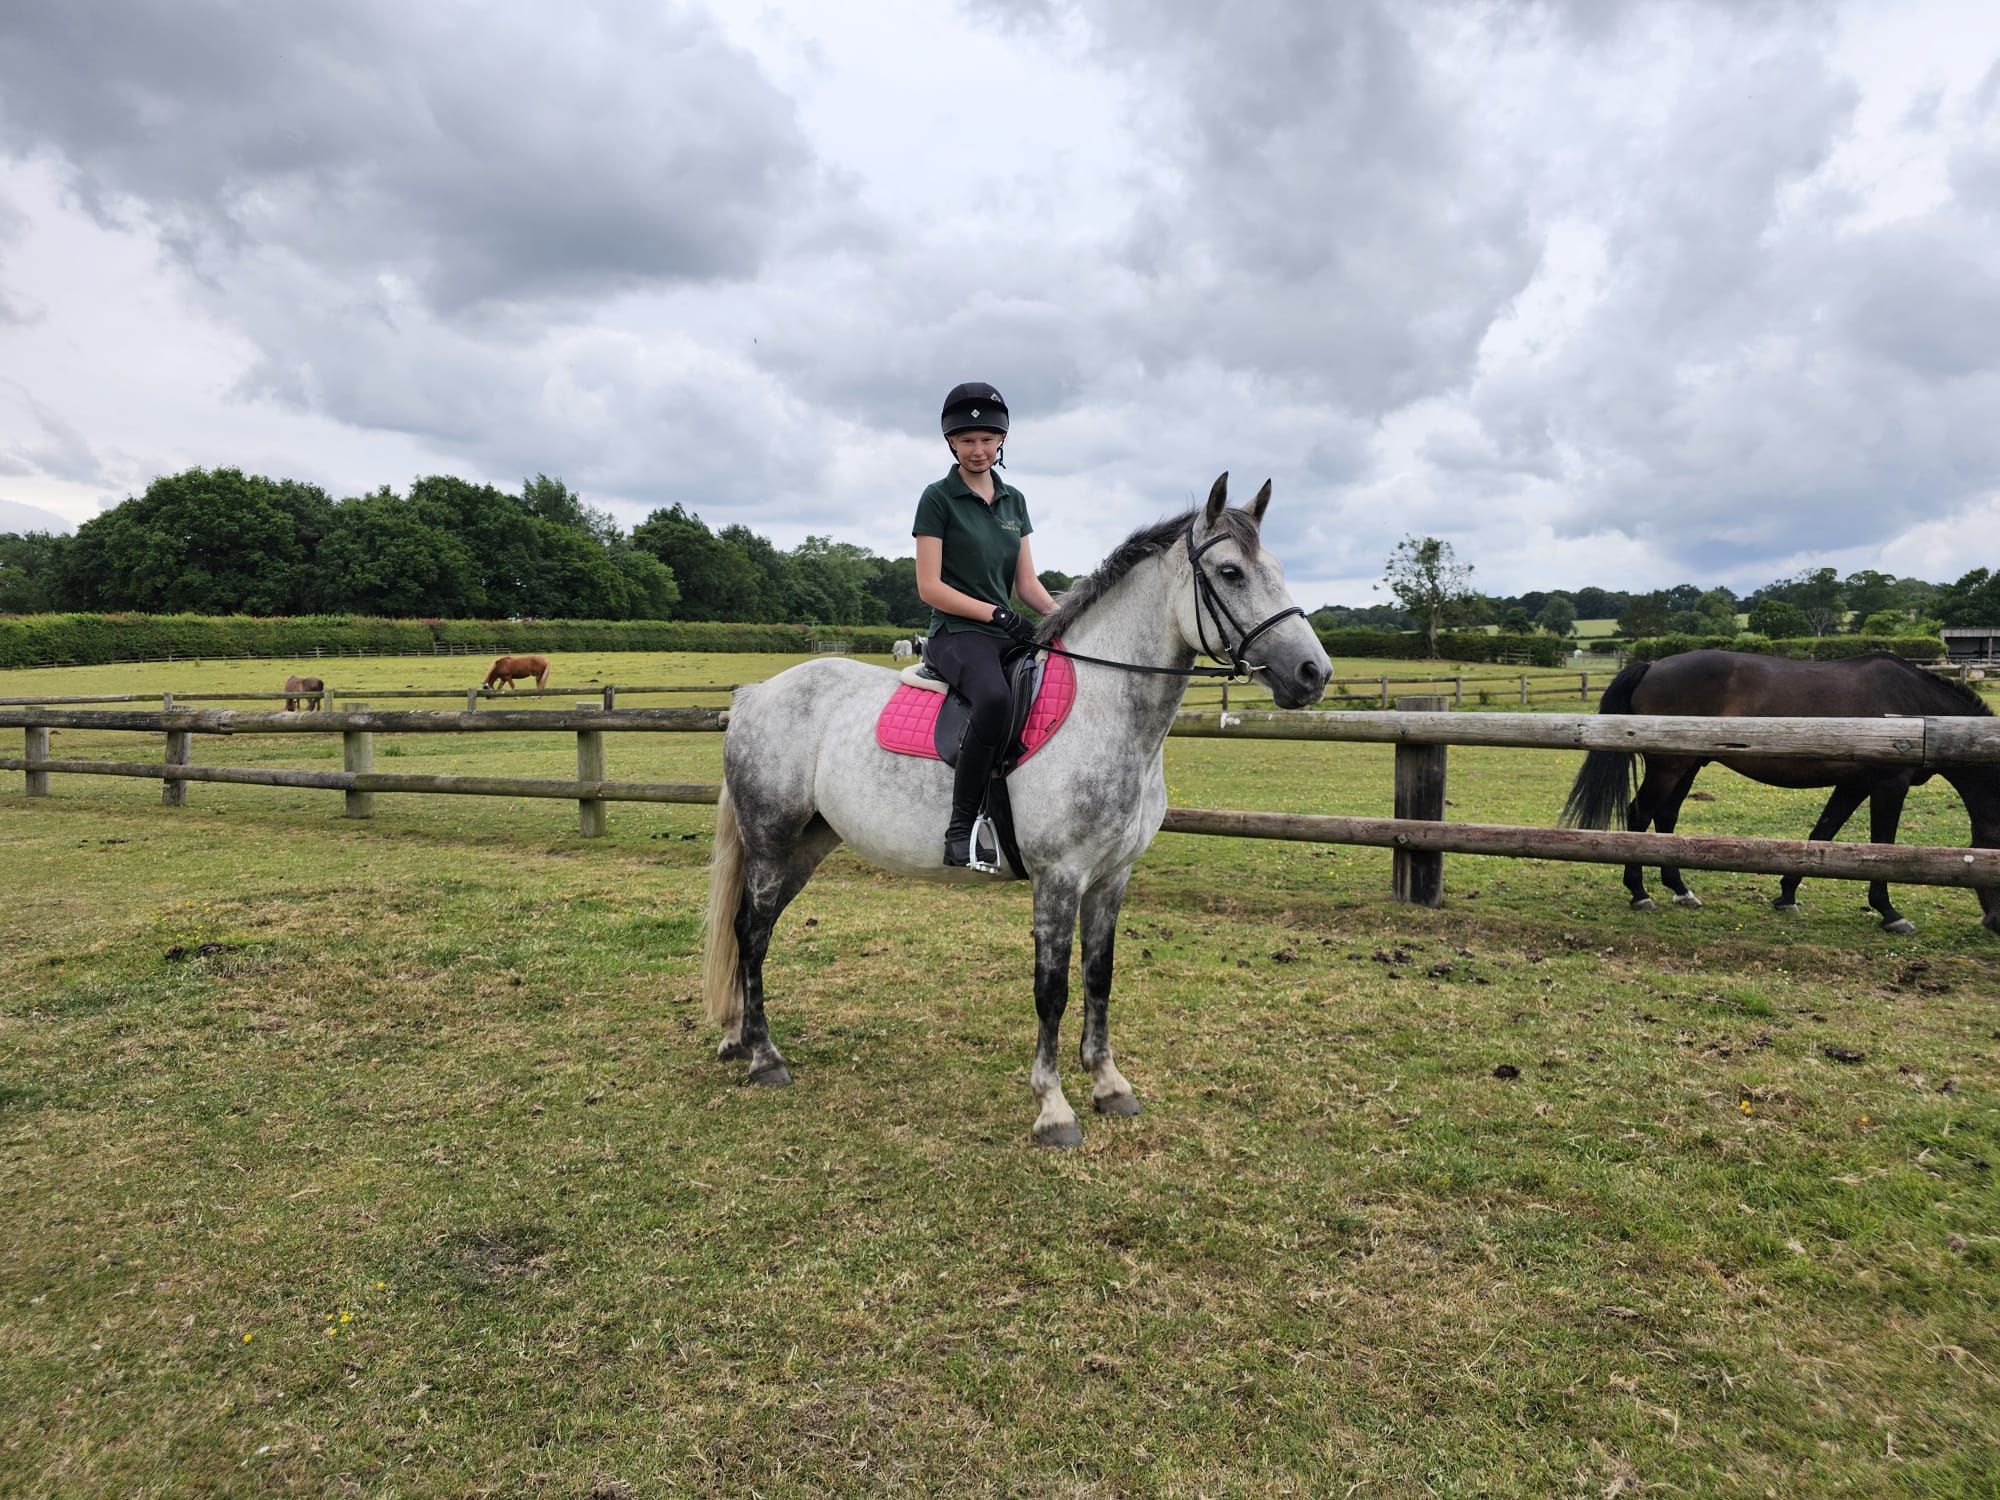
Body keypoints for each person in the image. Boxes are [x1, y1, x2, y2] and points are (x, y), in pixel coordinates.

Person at [912, 382, 1060, 868]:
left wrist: (1065, 620)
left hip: (1006, 632)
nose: (979, 450)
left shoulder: (1014, 501)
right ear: (952, 444)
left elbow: (1028, 585)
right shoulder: (938, 498)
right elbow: (929, 587)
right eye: (968, 440)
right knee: (994, 699)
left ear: (1002, 442)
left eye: (988, 439)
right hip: (956, 633)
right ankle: (961, 830)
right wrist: (993, 612)